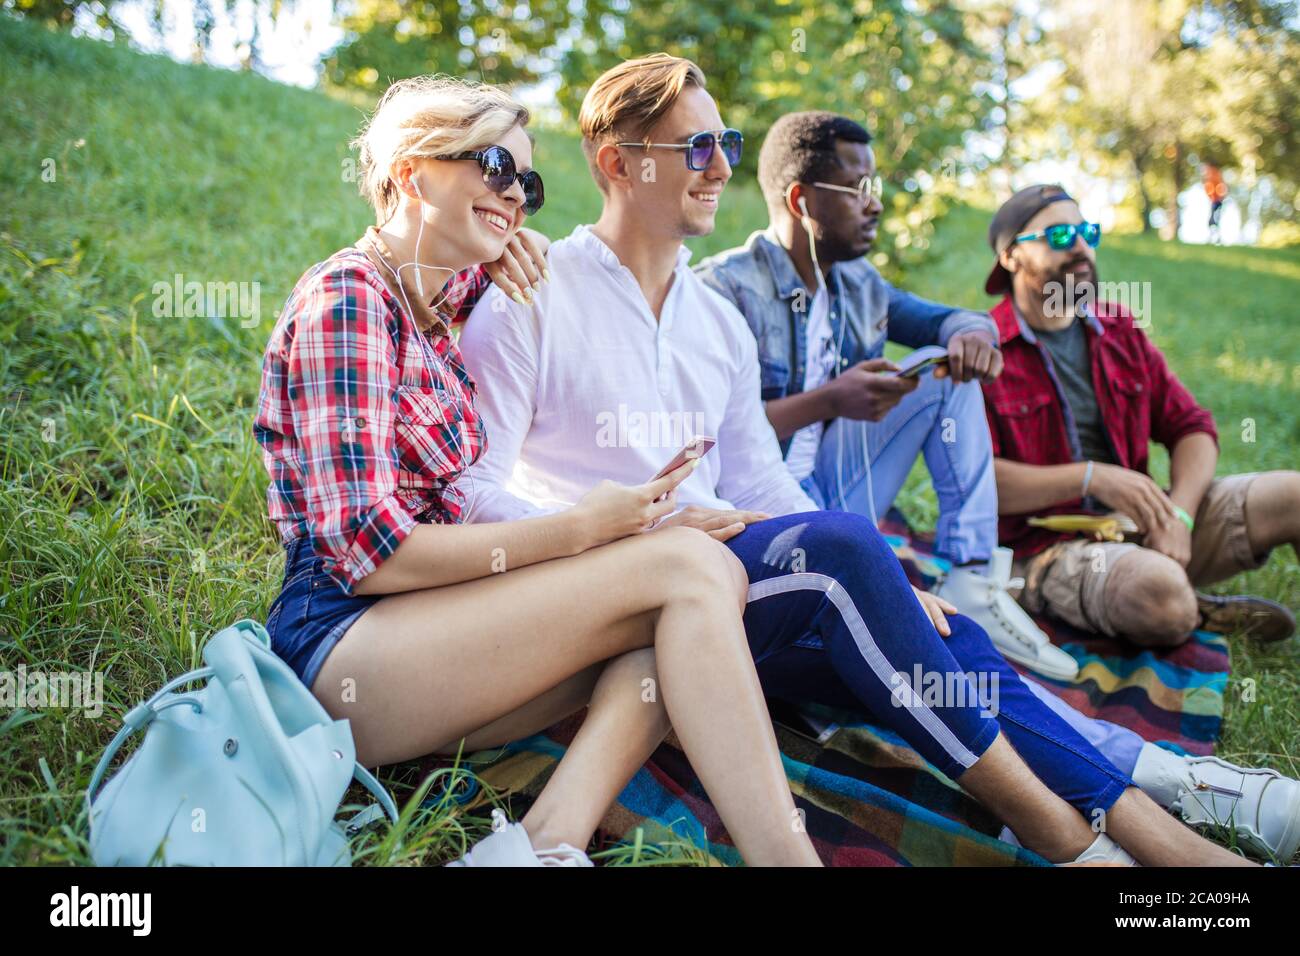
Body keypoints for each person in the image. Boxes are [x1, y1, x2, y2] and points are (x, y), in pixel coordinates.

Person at [457, 53, 1268, 865]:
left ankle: (1160, 818)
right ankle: (1083, 843)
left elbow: (758, 479)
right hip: (599, 602)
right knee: (848, 551)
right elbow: (475, 494)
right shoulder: (535, 293)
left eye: (727, 143)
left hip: (721, 614)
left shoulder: (715, 322)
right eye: (695, 148)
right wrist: (629, 530)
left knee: (938, 626)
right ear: (617, 162)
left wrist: (889, 576)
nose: (722, 167)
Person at [253, 74, 826, 868]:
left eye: (528, 182)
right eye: (494, 167)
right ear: (413, 170)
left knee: (679, 617)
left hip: (440, 624)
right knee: (689, 567)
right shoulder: (347, 301)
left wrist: (493, 247)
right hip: (344, 651)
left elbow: (477, 267)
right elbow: (369, 553)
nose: (517, 196)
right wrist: (583, 531)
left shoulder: (442, 298)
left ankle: (542, 842)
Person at [694, 110, 1076, 682]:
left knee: (944, 373)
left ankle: (972, 578)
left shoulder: (859, 283)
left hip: (832, 487)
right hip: (754, 512)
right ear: (801, 200)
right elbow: (710, 444)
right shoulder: (723, 289)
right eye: (859, 189)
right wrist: (830, 400)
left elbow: (950, 318)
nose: (875, 204)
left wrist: (972, 335)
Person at [979, 183, 1298, 655]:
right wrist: (1090, 479)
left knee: (1294, 493)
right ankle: (1191, 605)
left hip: (1147, 524)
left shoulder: (1119, 330)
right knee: (1161, 600)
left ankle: (1184, 593)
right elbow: (977, 481)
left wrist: (1180, 515)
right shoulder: (982, 350)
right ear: (1011, 257)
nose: (1082, 248)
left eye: (1087, 232)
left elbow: (1191, 427)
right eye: (1061, 236)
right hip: (1046, 551)